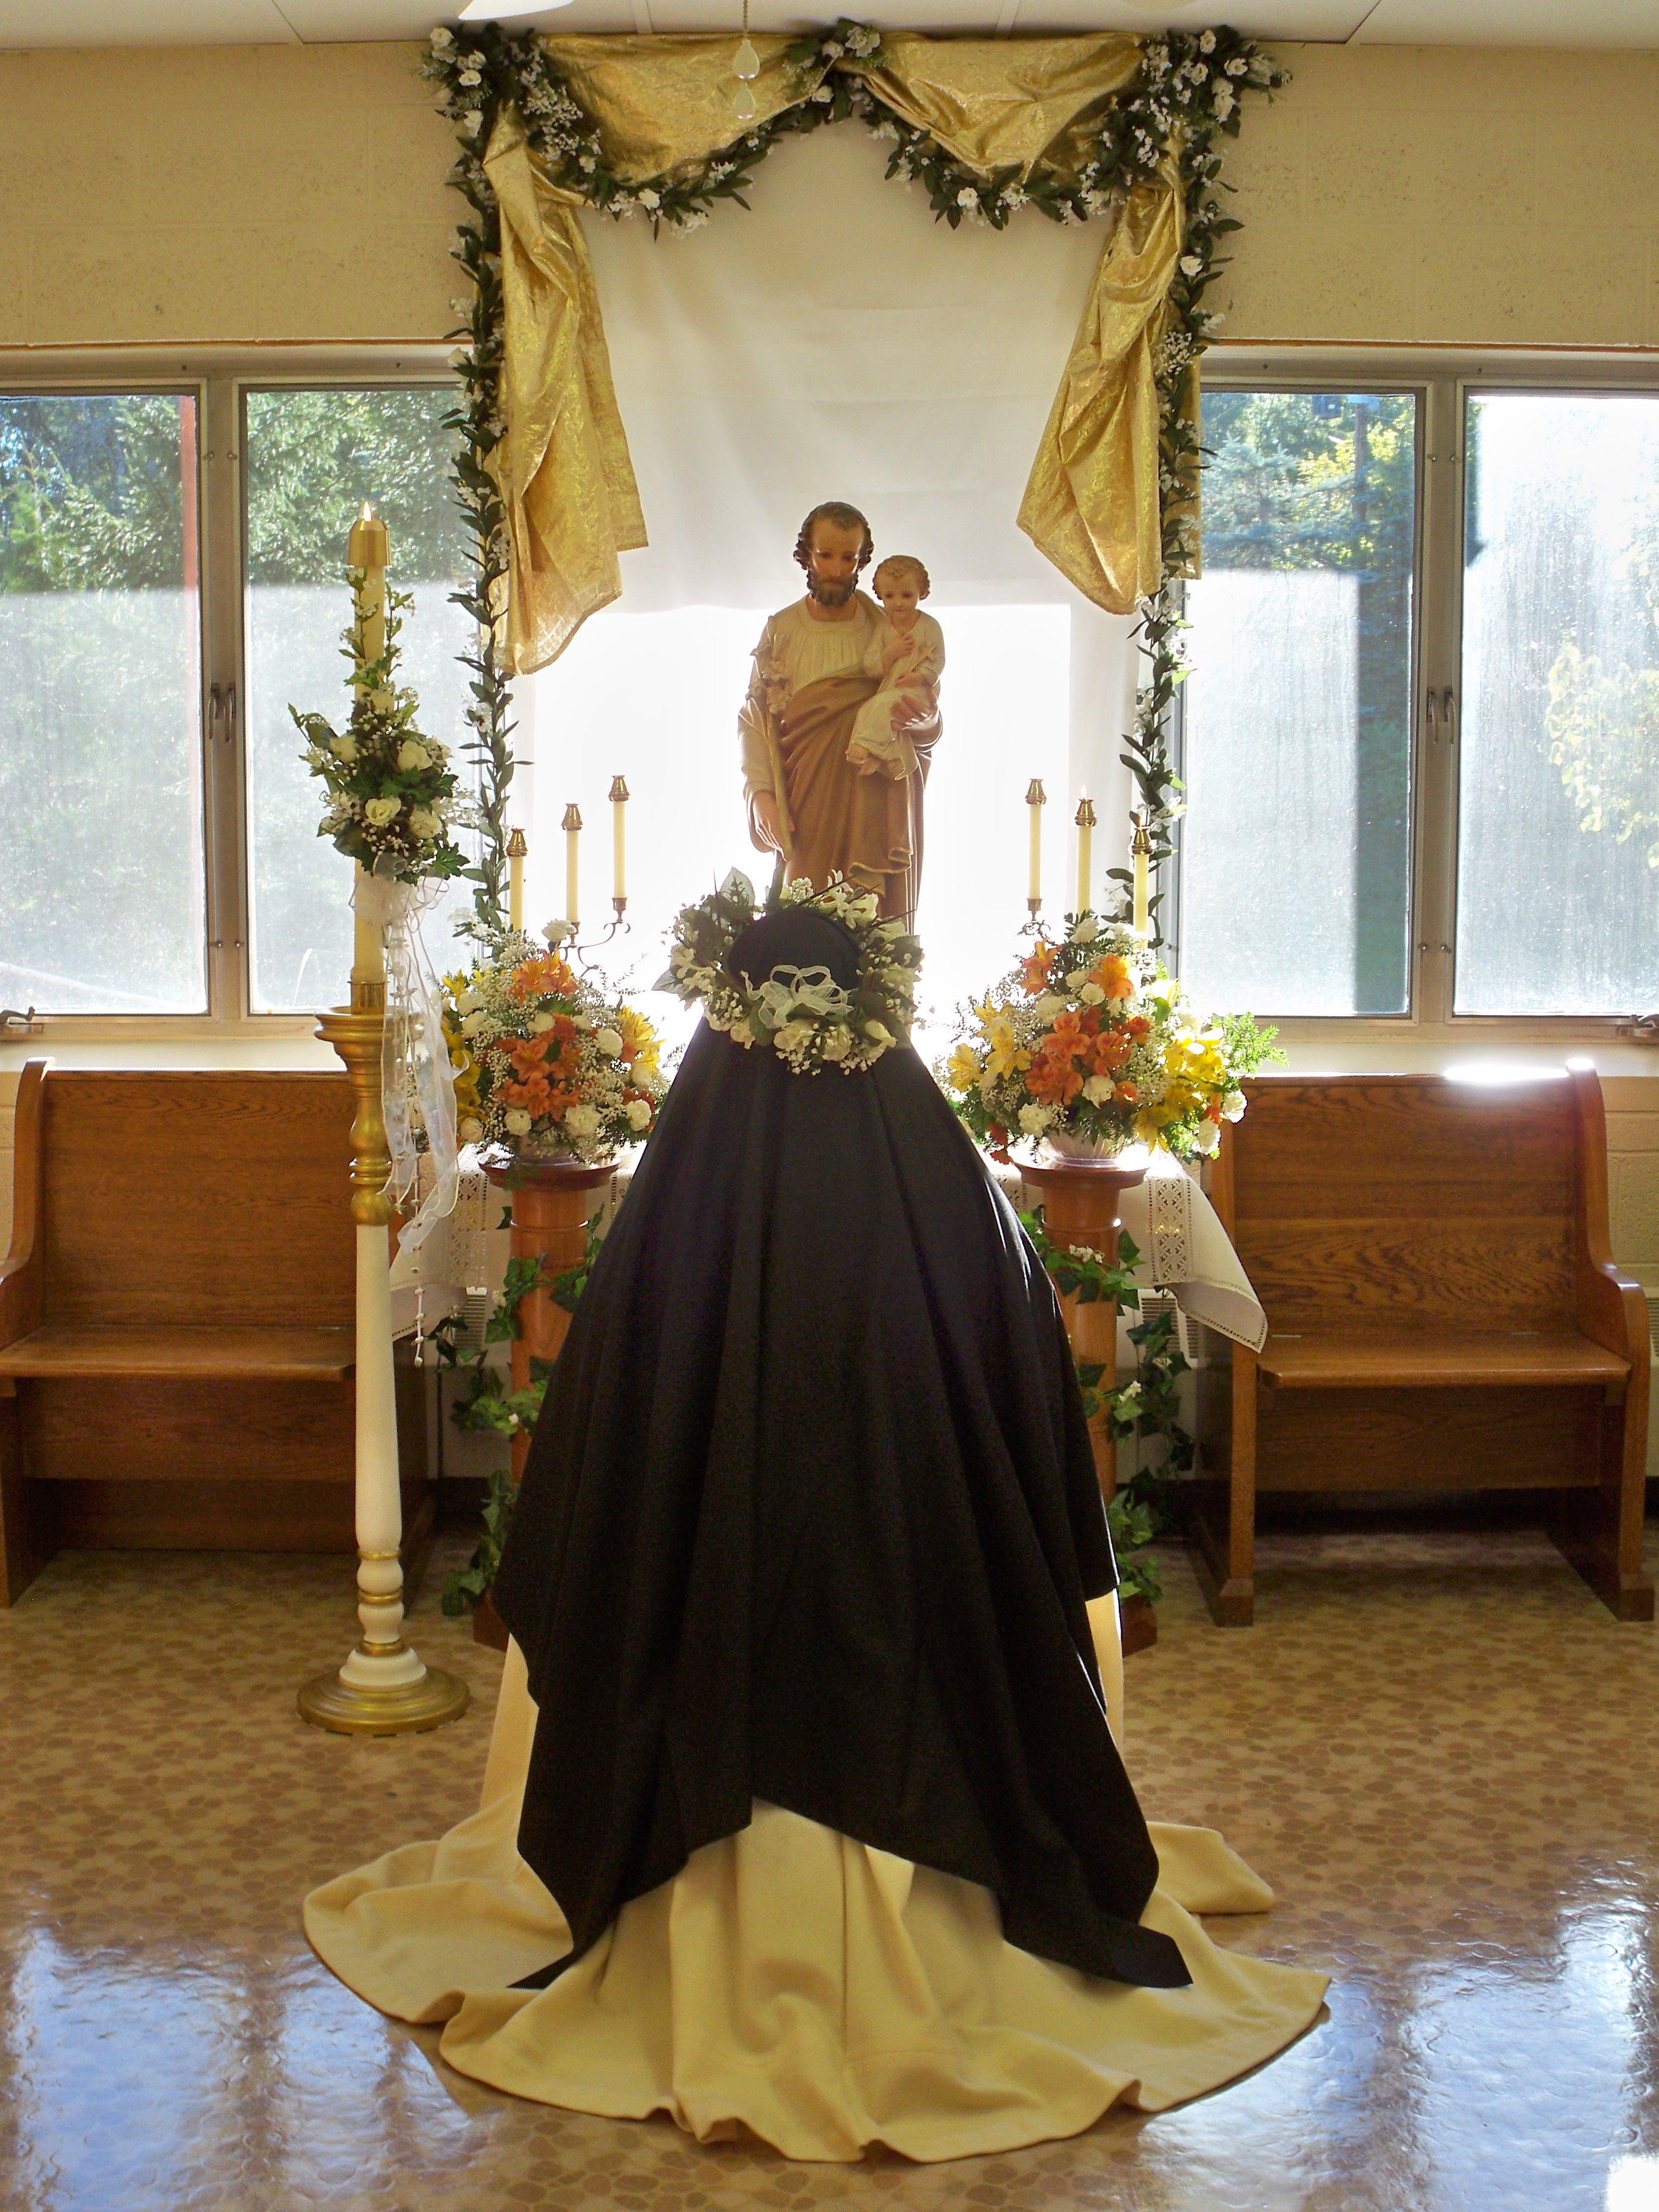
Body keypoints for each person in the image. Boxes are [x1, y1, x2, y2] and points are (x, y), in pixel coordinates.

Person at [305, 904, 1327, 2162]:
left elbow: (604, 1436)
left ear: (729, 1017)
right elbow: (1031, 1413)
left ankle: (690, 1906)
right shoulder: (951, 1200)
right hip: (928, 1649)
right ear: (873, 1014)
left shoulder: (680, 1211)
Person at [739, 503, 940, 922]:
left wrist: (921, 719)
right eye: (825, 555)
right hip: (807, 802)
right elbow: (755, 719)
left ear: (863, 559)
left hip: (872, 802)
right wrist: (760, 793)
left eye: (848, 558)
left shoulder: (883, 627)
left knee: (871, 934)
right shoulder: (783, 629)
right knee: (803, 924)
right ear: (806, 555)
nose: (836, 569)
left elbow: (925, 712)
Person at [846, 554, 945, 783]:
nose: (898, 603)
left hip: (917, 691)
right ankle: (886, 756)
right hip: (893, 687)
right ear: (880, 595)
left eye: (907, 595)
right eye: (890, 596)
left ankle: (866, 747)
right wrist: (891, 653)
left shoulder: (929, 627)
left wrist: (919, 677)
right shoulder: (883, 628)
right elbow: (871, 665)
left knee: (885, 707)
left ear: (921, 592)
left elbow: (938, 659)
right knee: (872, 710)